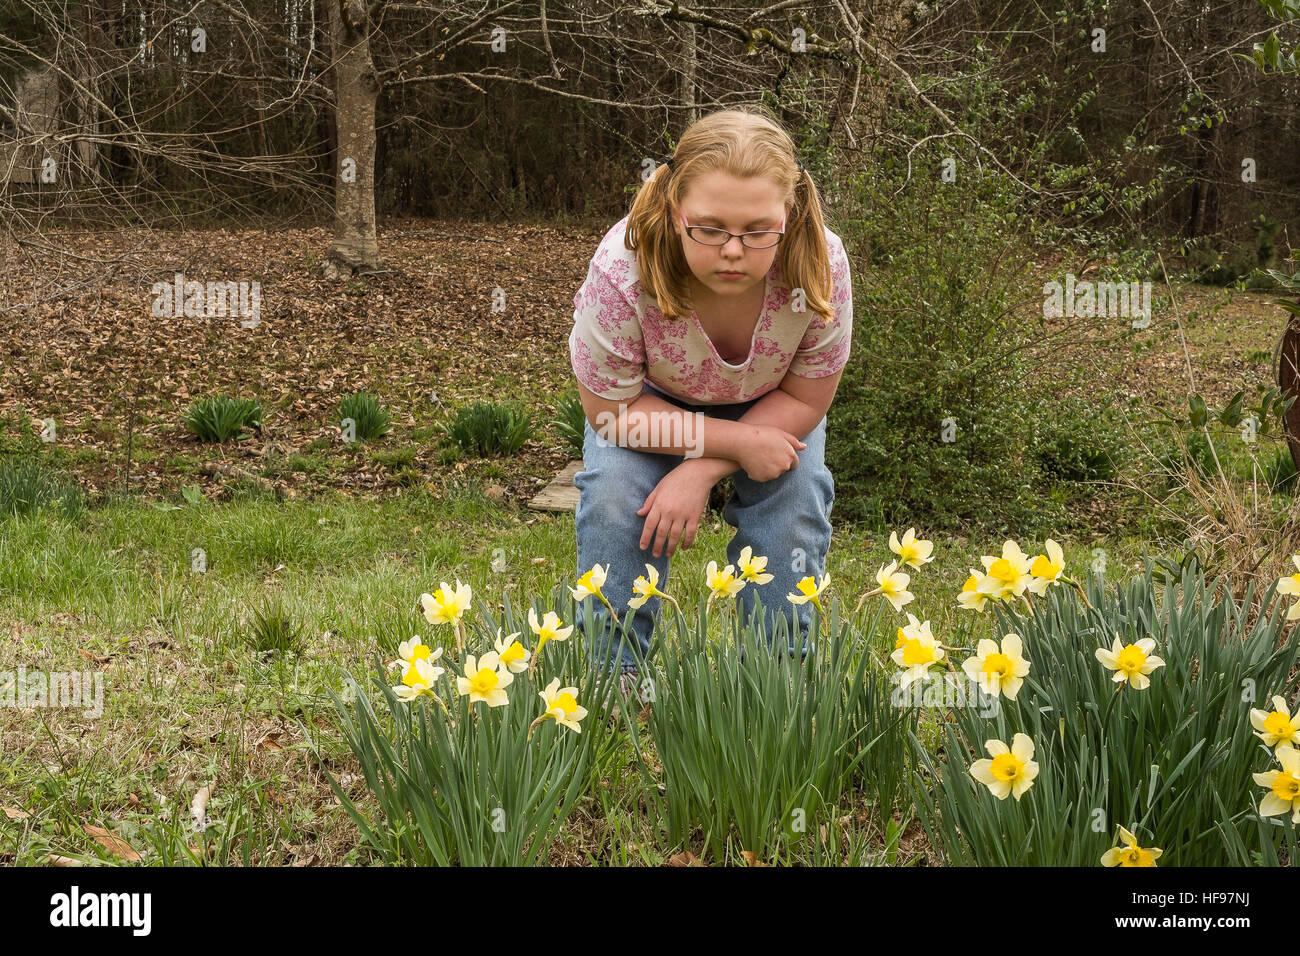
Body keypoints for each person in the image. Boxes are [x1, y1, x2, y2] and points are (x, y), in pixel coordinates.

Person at [567, 106, 853, 697]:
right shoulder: (623, 267)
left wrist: (700, 468)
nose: (733, 250)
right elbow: (610, 414)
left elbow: (806, 396)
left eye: (758, 231)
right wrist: (730, 444)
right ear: (676, 210)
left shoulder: (820, 267)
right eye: (710, 228)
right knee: (617, 495)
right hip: (645, 408)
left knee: (795, 496)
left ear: (789, 212)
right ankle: (613, 682)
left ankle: (777, 682)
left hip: (774, 407)